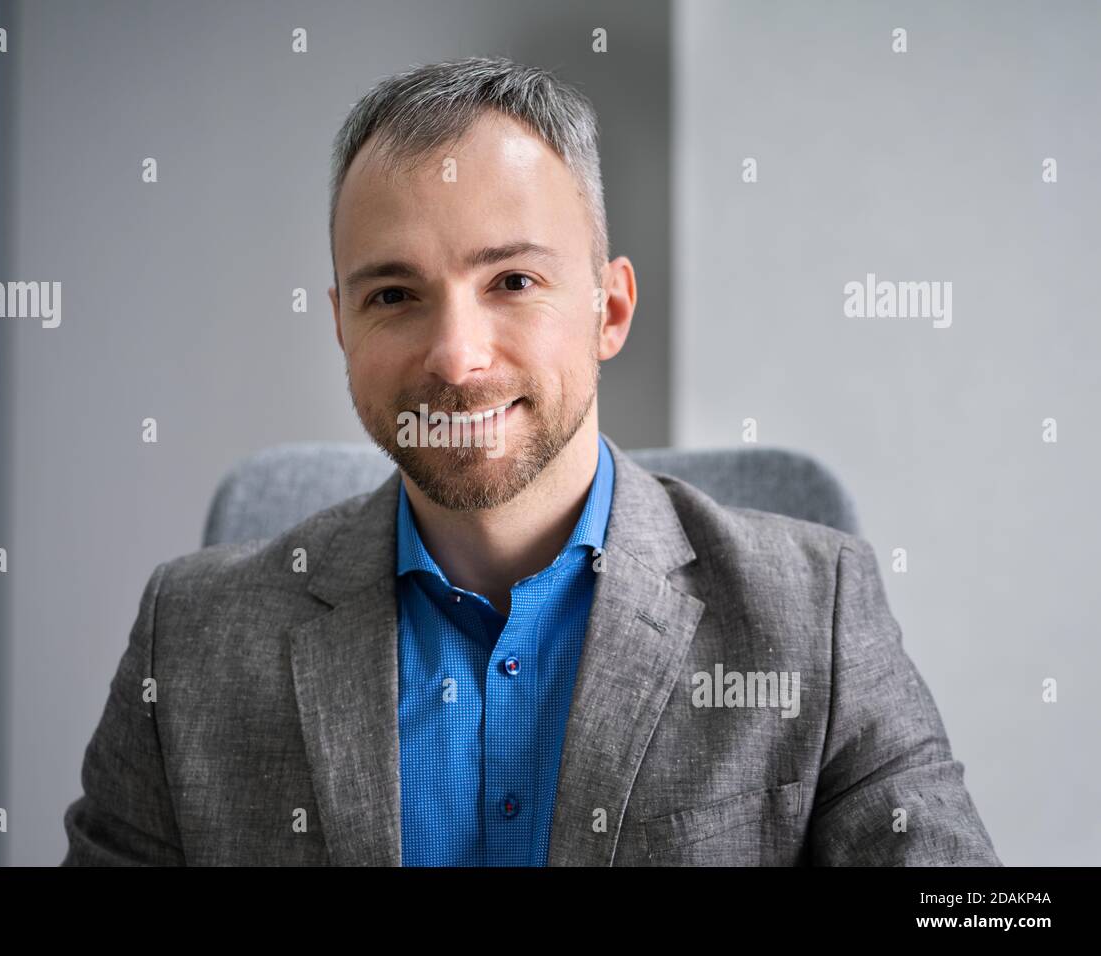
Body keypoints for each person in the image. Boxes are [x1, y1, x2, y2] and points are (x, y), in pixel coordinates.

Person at [61, 56, 999, 866]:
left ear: (610, 309)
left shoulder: (812, 616)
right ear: (342, 324)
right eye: (394, 294)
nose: (457, 359)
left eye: (513, 281)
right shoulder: (186, 640)